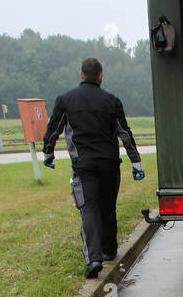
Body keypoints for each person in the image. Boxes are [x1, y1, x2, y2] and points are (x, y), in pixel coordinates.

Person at [42, 56, 145, 278]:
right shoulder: (112, 101)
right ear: (100, 77)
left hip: (84, 165)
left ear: (81, 74)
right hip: (110, 164)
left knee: (88, 208)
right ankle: (109, 250)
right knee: (108, 207)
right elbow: (124, 133)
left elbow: (54, 128)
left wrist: (48, 152)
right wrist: (135, 162)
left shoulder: (66, 100)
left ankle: (93, 259)